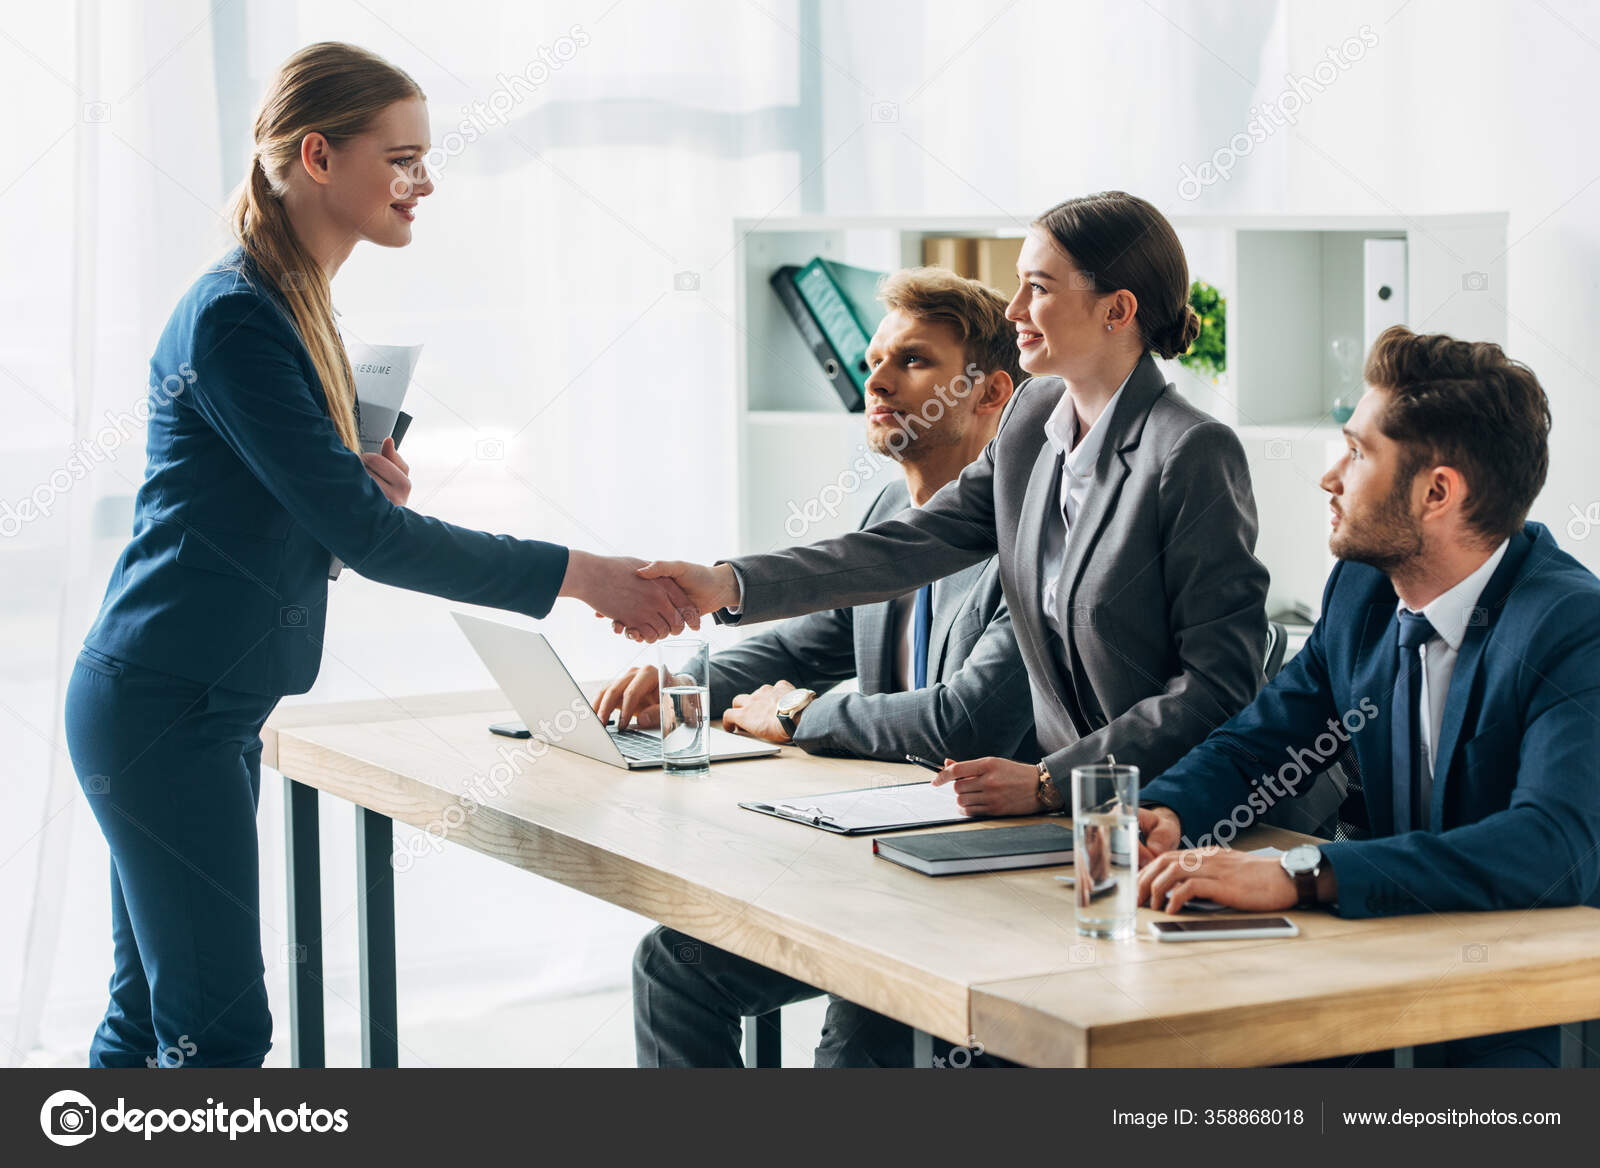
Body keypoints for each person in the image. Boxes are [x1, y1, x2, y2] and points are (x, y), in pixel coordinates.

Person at [62, 42, 694, 1069]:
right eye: (402, 159)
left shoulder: (287, 302)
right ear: (318, 156)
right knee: (217, 1034)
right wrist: (587, 575)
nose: (424, 182)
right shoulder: (240, 315)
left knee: (152, 1022)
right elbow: (377, 543)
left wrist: (344, 491)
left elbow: (302, 521)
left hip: (188, 700)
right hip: (167, 707)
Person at [631, 191, 1270, 820]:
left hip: (1169, 814)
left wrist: (1052, 781)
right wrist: (727, 584)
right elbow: (909, 544)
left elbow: (1217, 687)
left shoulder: (1190, 450)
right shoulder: (1032, 418)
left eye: (1038, 288)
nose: (1015, 308)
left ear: (1117, 309)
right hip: (1052, 817)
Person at [1135, 325, 1600, 1068]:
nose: (1330, 478)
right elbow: (1265, 741)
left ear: (1437, 492)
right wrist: (1169, 812)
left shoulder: (1569, 625)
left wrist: (1302, 874)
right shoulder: (1363, 591)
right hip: (1384, 971)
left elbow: (1553, 849)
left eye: (1356, 453)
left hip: (1532, 1008)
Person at [619, 267, 1037, 1067]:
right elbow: (804, 645)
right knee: (674, 966)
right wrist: (680, 689)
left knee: (853, 1058)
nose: (875, 381)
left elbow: (964, 722)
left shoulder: (1030, 539)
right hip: (877, 849)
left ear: (991, 394)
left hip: (979, 871)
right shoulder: (890, 511)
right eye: (875, 360)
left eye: (913, 361)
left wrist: (799, 717)